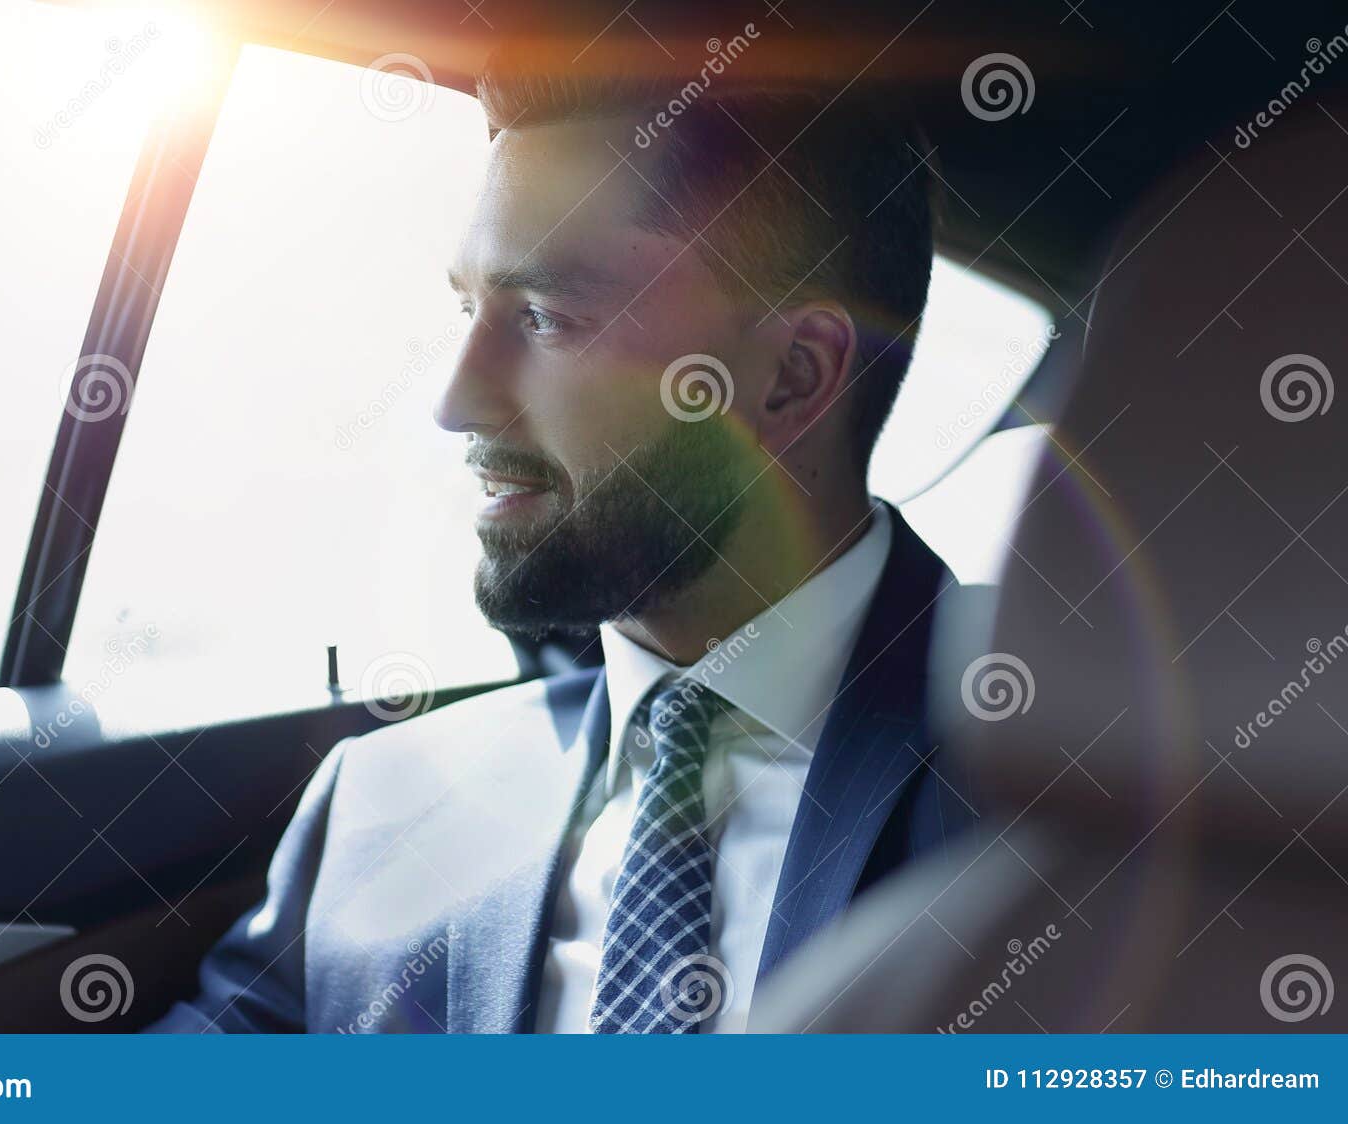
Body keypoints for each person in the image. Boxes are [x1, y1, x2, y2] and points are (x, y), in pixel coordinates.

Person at [148, 46, 979, 1034]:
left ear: (792, 377)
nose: (456, 401)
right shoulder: (382, 806)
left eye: (542, 317)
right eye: (469, 309)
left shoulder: (1094, 785)